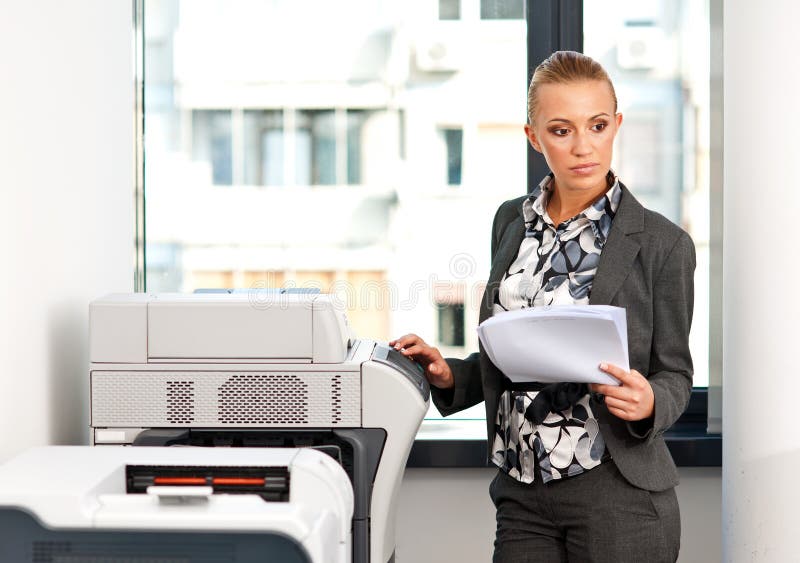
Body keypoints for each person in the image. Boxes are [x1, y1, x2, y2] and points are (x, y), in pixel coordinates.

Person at [390, 51, 694, 563]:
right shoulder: (511, 222)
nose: (583, 146)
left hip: (617, 494)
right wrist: (451, 374)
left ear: (616, 125)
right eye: (560, 130)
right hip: (523, 492)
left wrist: (650, 402)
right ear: (534, 137)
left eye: (597, 125)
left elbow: (676, 374)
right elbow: (521, 348)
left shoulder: (663, 244)